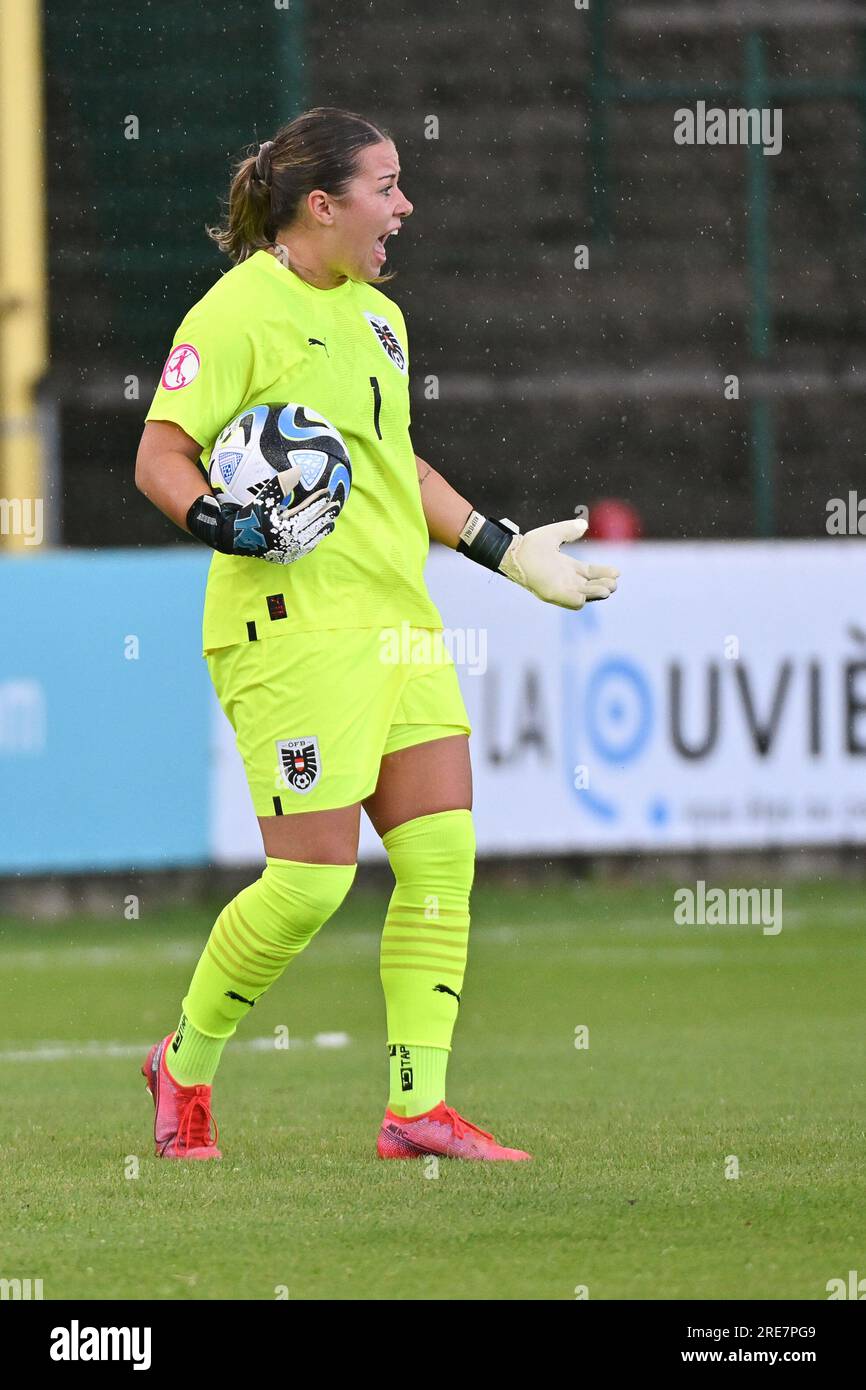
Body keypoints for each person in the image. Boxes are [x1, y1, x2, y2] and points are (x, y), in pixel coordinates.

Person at [134, 106, 618, 1163]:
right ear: (323, 205)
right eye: (387, 188)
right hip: (288, 630)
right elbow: (160, 453)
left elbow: (396, 466)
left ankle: (416, 1106)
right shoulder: (233, 315)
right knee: (310, 882)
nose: (403, 207)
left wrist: (503, 548)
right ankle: (185, 1060)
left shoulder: (379, 318)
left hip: (399, 623)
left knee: (440, 856)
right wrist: (223, 519)